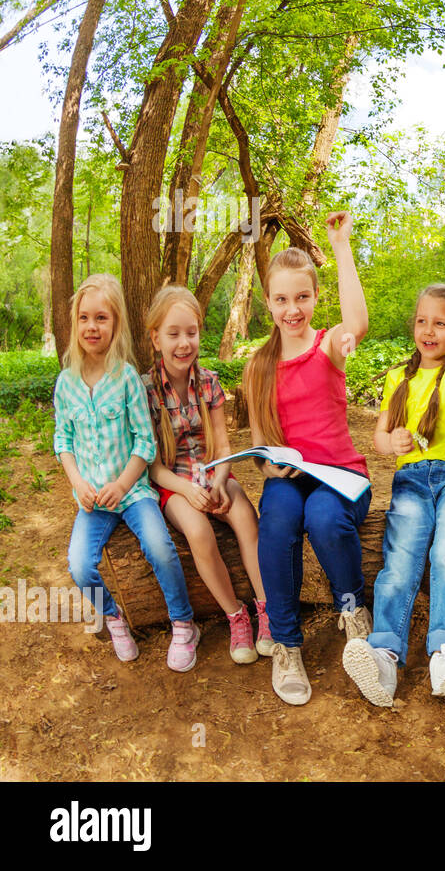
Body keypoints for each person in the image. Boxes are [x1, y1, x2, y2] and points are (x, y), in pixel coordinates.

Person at [342, 210, 445, 706]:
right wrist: (389, 444)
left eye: (441, 322)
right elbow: (379, 436)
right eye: (422, 321)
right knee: (400, 560)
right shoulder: (399, 377)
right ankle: (384, 659)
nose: (429, 330)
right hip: (412, 482)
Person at [243, 211, 372, 705]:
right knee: (275, 524)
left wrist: (341, 247)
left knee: (322, 519)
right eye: (281, 299)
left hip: (340, 476)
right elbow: (259, 441)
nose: (292, 309)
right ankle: (287, 644)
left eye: (302, 297)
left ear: (315, 297)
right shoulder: (259, 364)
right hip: (288, 477)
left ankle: (352, 609)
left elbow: (357, 322)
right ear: (268, 302)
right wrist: (267, 466)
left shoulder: (328, 346)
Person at [54, 274, 197, 670]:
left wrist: (122, 483)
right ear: (74, 324)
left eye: (101, 318)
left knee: (160, 548)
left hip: (132, 492)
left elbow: (144, 444)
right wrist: (79, 484)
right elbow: (63, 442)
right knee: (80, 565)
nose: (91, 327)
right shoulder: (65, 384)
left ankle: (183, 623)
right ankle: (115, 618)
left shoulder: (127, 379)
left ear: (115, 324)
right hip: (93, 499)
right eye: (84, 318)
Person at [143, 284, 270, 664]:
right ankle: (236, 616)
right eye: (173, 334)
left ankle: (266, 609)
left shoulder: (209, 381)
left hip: (213, 474)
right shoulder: (146, 389)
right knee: (198, 531)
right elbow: (152, 465)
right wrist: (188, 490)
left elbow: (223, 446)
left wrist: (219, 480)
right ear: (155, 338)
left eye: (191, 333)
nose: (184, 343)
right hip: (173, 485)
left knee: (246, 517)